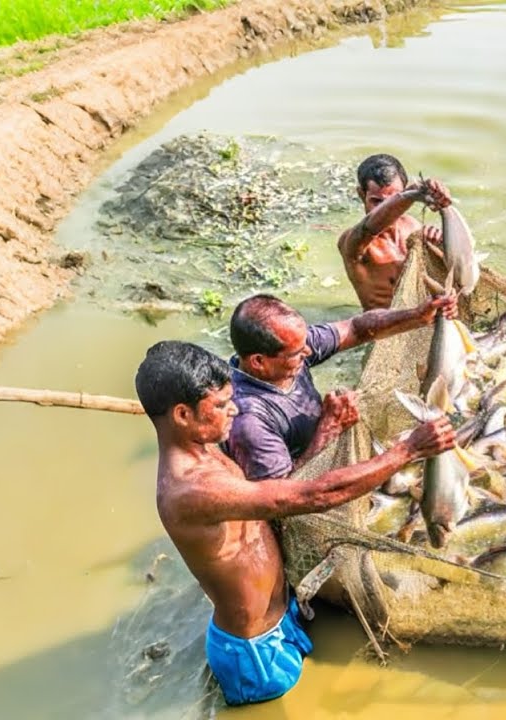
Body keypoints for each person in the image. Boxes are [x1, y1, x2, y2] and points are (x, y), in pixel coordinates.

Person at [135, 341, 454, 705]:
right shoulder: (189, 491)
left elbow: (282, 487)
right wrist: (409, 450)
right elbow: (309, 497)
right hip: (254, 654)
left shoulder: (202, 444)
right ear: (181, 415)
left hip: (282, 613)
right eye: (222, 405)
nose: (234, 410)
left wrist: (327, 429)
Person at [223, 292, 455, 481]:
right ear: (259, 361)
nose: (309, 351)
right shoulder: (248, 420)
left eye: (305, 342)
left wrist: (417, 316)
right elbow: (283, 498)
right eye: (297, 352)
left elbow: (356, 328)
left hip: (321, 457)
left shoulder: (292, 347)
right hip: (300, 491)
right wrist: (328, 428)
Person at [337, 153, 454, 310]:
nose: (384, 207)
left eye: (392, 198)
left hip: (420, 320)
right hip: (385, 328)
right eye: (376, 201)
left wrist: (440, 246)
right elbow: (370, 227)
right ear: (361, 194)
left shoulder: (413, 227)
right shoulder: (353, 242)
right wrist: (412, 193)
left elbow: (438, 280)